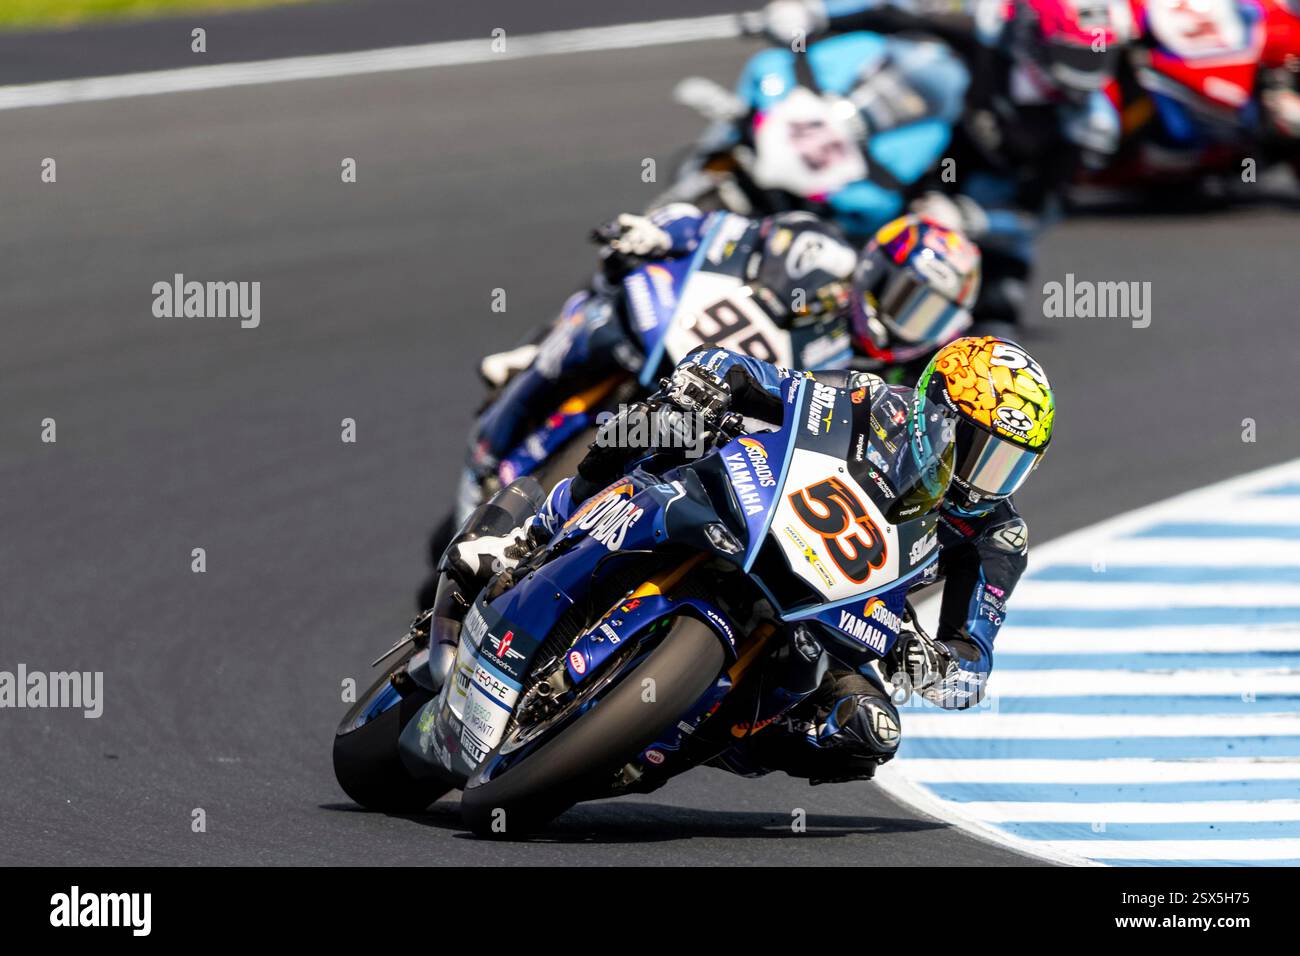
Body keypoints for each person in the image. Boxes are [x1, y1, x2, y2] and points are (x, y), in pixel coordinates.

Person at [449, 334, 1055, 783]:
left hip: (848, 611)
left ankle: (679, 737)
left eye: (1010, 465)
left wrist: (934, 665)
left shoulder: (996, 535)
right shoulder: (870, 400)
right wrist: (711, 382)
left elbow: (973, 666)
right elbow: (761, 376)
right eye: (982, 451)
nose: (987, 480)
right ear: (937, 413)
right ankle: (537, 528)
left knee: (868, 733)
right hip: (759, 509)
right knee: (667, 428)